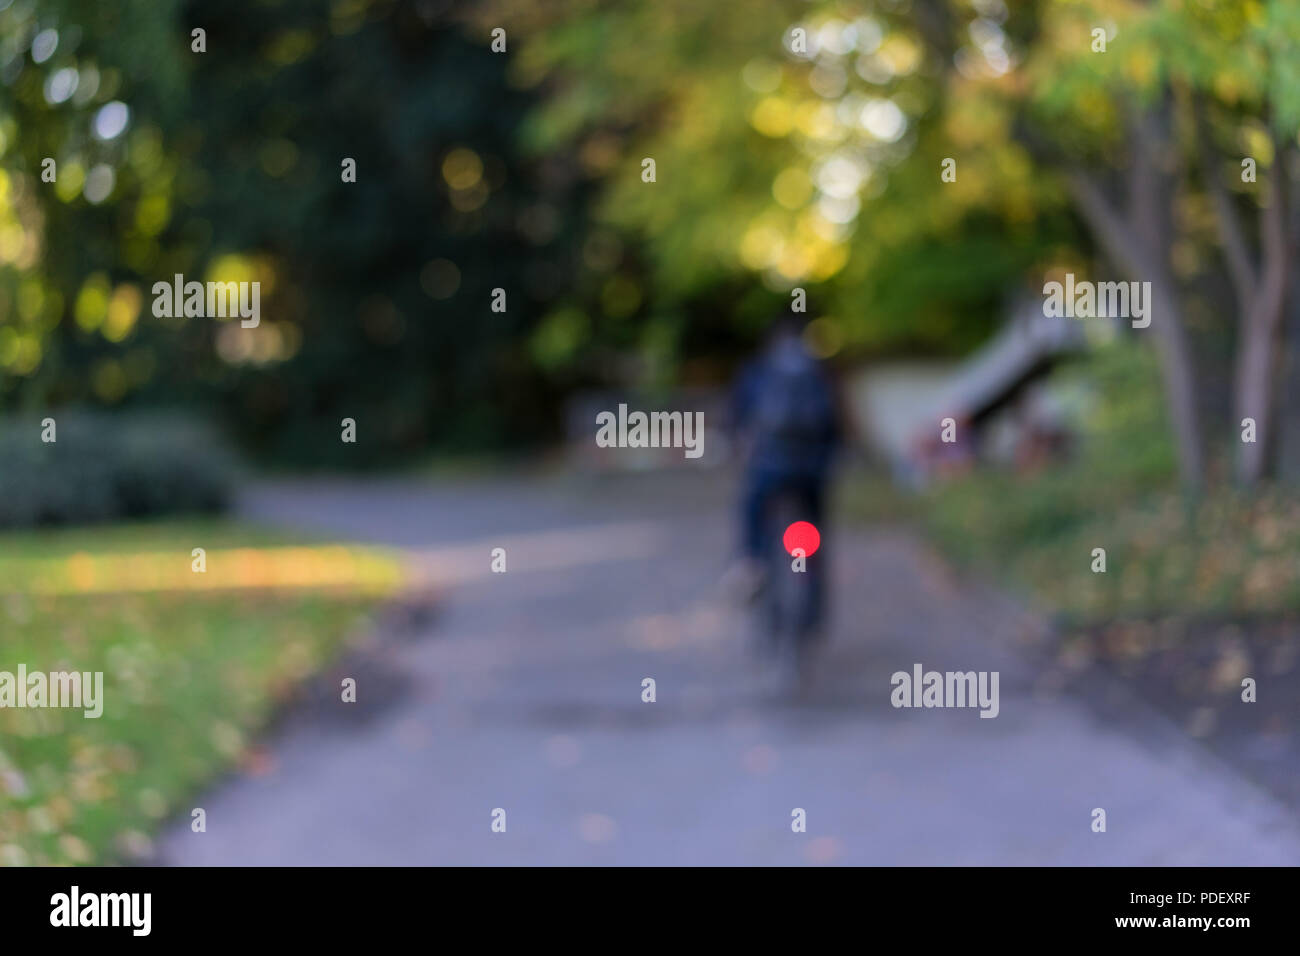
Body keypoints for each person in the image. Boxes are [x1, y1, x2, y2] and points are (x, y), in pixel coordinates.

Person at [725, 314, 842, 638]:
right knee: (813, 533)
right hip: (811, 471)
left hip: (770, 468)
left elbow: (736, 419)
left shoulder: (758, 371)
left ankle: (752, 562)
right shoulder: (818, 372)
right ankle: (812, 597)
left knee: (752, 508)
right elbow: (834, 426)